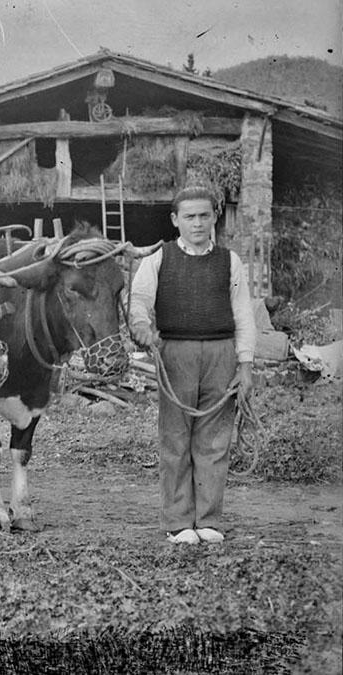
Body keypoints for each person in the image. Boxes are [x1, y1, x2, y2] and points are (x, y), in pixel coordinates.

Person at [129, 186, 256, 545]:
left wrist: (245, 366)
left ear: (214, 216)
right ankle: (178, 521)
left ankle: (209, 520)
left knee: (215, 441)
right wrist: (141, 327)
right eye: (189, 217)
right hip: (176, 353)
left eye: (204, 215)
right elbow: (138, 301)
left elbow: (244, 315)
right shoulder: (159, 259)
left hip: (221, 353)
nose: (197, 224)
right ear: (175, 220)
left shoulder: (230, 262)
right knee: (175, 438)